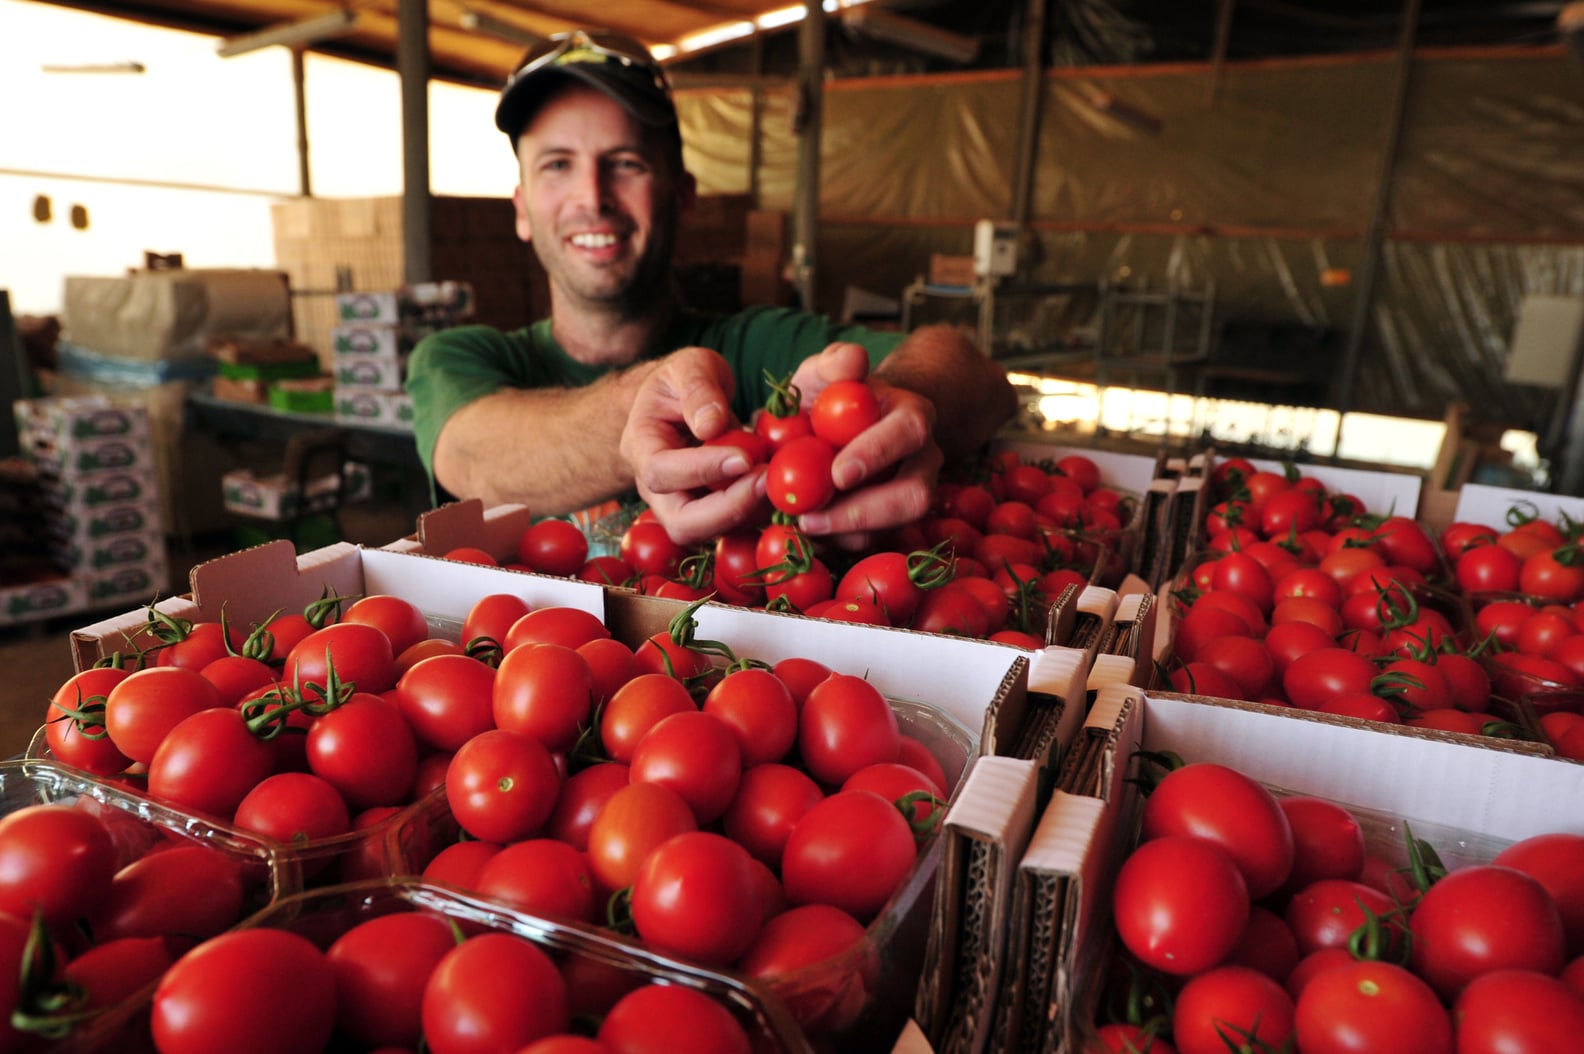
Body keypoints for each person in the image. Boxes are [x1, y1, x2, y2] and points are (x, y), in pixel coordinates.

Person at [406, 28, 1016, 547]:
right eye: (557, 165)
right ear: (520, 207)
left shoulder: (759, 349)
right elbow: (475, 455)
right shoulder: (462, 360)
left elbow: (980, 375)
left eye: (626, 163)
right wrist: (652, 400)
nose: (592, 198)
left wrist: (893, 405)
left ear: (683, 197)